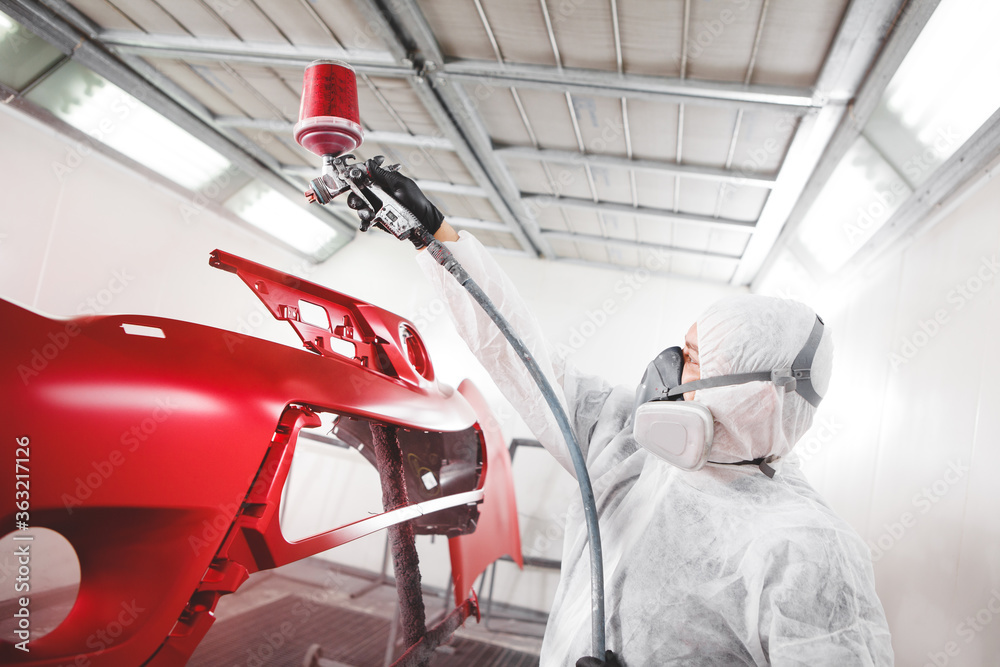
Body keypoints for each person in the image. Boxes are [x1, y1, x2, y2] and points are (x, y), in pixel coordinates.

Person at [350, 166, 894, 666]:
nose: (669, 370)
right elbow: (527, 361)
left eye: (695, 359)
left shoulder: (808, 552)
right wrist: (436, 238)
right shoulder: (630, 450)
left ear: (750, 398)